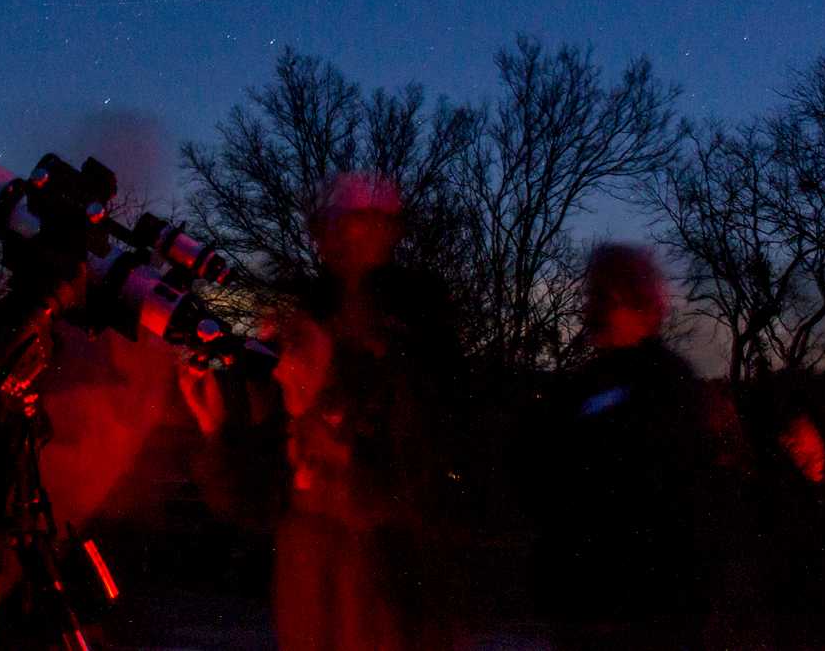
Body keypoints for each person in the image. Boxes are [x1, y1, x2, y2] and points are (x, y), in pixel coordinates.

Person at [179, 173, 462, 651]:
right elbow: (257, 488)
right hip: (309, 563)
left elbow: (425, 453)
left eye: (365, 222)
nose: (347, 236)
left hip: (385, 567)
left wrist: (328, 399)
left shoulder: (418, 325)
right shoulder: (297, 321)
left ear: (388, 229)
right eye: (334, 224)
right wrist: (218, 429)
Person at [528, 242, 713, 649]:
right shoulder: (586, 383)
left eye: (602, 297)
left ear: (640, 304)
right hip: (590, 606)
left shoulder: (666, 384)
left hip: (643, 610)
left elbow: (665, 493)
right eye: (591, 296)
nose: (589, 310)